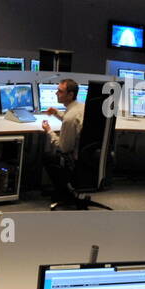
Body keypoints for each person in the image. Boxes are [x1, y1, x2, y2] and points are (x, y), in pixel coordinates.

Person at [40, 78, 84, 207]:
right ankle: (64, 189)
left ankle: (64, 192)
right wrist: (55, 113)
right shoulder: (80, 107)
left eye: (60, 91)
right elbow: (68, 117)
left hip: (75, 159)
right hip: (86, 156)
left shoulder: (70, 118)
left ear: (70, 95)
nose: (56, 93)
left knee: (47, 157)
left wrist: (49, 131)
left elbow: (63, 148)